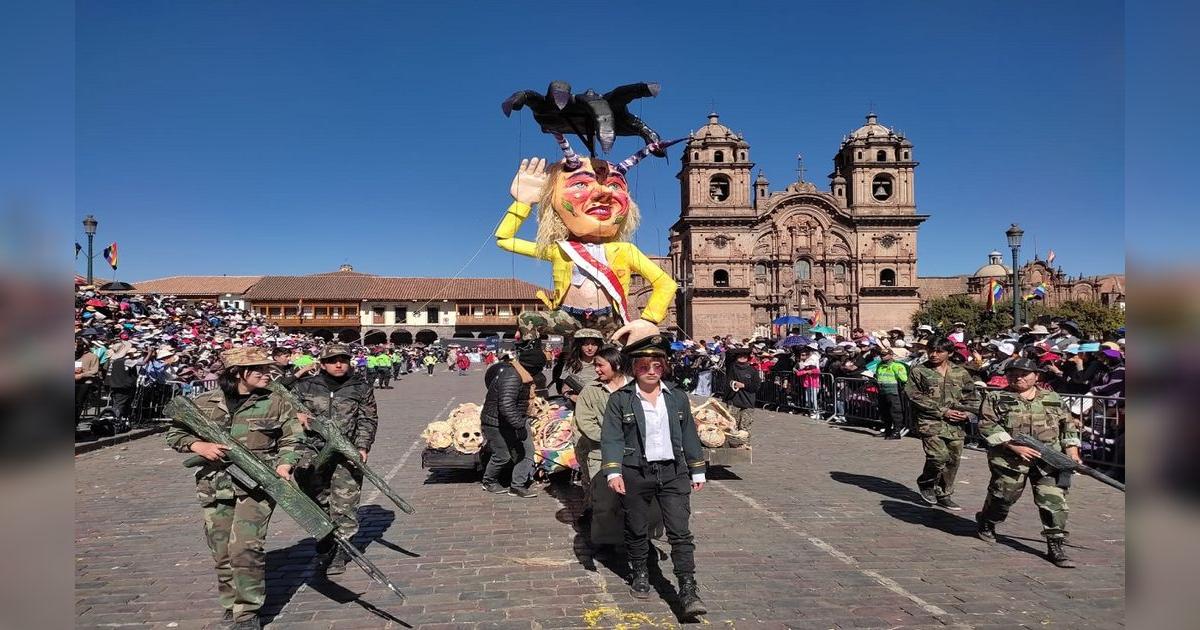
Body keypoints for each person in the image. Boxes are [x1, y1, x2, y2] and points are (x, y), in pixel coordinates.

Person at [163, 347, 306, 629]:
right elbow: (175, 433)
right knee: (221, 551)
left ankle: (248, 611)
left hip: (257, 486)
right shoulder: (203, 403)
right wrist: (198, 445)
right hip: (214, 485)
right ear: (237, 373)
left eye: (268, 368)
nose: (269, 374)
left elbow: (293, 438)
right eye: (260, 370)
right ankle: (230, 602)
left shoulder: (276, 402)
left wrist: (284, 465)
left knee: (245, 548)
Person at [601, 334, 707, 618]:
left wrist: (697, 468)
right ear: (633, 368)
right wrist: (613, 471)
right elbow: (611, 437)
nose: (651, 370)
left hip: (673, 473)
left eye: (657, 365)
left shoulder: (677, 397)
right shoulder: (620, 400)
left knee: (680, 532)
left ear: (664, 367)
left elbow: (689, 435)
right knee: (636, 527)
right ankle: (640, 572)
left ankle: (687, 589)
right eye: (645, 365)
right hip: (636, 472)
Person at [976, 358, 1082, 568]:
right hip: (1010, 459)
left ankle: (1055, 544)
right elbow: (987, 425)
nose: (1019, 377)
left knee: (1053, 502)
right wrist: (1012, 446)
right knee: (1003, 497)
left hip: (1049, 460)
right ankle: (988, 521)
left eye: (1024, 373)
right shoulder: (996, 397)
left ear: (1037, 376)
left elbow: (1067, 424)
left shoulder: (1052, 397)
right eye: (1013, 373)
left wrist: (1071, 449)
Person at [292, 343, 379, 576]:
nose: (338, 364)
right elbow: (285, 414)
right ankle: (324, 539)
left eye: (343, 359)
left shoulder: (360, 387)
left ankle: (340, 548)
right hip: (310, 451)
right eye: (332, 360)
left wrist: (362, 446)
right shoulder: (304, 387)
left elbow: (367, 419)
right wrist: (297, 419)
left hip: (346, 451)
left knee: (345, 500)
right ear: (322, 364)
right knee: (314, 499)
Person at [905, 339, 980, 510]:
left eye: (939, 351)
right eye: (931, 350)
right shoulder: (919, 371)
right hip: (930, 422)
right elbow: (913, 395)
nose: (933, 354)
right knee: (938, 457)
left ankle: (944, 493)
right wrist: (942, 411)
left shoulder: (960, 372)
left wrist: (968, 413)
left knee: (953, 460)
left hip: (955, 423)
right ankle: (926, 481)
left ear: (950, 353)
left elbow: (972, 396)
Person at [572, 345, 629, 542]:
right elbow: (585, 422)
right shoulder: (590, 390)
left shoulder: (635, 387)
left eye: (600, 365)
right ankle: (605, 543)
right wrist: (613, 439)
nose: (596, 369)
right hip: (600, 453)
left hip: (633, 453)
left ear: (616, 364)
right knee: (604, 502)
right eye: (595, 365)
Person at [480, 343, 546, 497]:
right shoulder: (512, 376)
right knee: (502, 455)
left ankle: (517, 485)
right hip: (496, 422)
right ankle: (489, 481)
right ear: (532, 367)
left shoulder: (522, 375)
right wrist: (519, 426)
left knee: (527, 452)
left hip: (514, 420)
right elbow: (506, 405)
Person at [720, 347, 760, 437]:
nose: (742, 357)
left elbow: (756, 386)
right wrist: (746, 349)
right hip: (734, 401)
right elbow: (729, 353)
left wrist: (743, 385)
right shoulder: (732, 367)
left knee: (745, 428)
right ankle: (732, 446)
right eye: (740, 355)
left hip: (748, 401)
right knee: (732, 426)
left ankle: (744, 445)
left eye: (744, 356)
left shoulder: (753, 370)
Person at [554, 328, 604, 399]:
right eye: (586, 344)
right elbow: (565, 389)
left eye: (593, 344)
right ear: (579, 346)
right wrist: (571, 396)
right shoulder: (571, 364)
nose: (590, 348)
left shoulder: (605, 363)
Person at [873, 347, 909, 439]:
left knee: (895, 412)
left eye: (885, 355)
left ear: (891, 355)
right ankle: (887, 430)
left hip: (894, 392)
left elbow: (904, 379)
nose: (882, 357)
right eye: (881, 355)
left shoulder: (897, 366)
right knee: (884, 412)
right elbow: (877, 375)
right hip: (882, 391)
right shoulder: (879, 365)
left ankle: (897, 432)